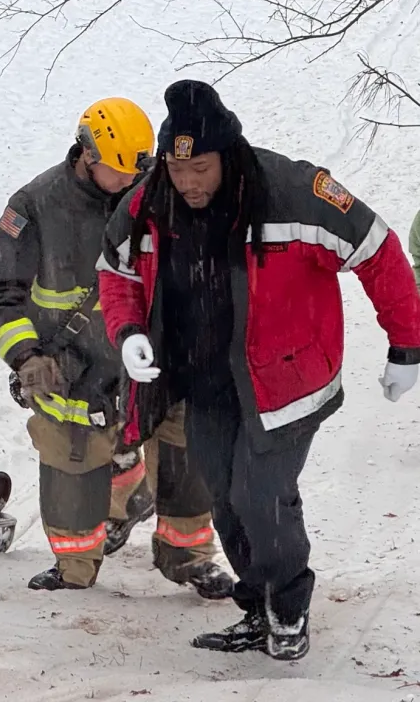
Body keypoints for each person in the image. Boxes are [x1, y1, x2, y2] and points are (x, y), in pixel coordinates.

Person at [97, 79, 420, 661]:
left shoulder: (295, 191)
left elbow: (378, 250)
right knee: (223, 496)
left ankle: (288, 607)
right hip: (205, 380)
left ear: (228, 153)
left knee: (261, 494)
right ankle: (258, 606)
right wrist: (129, 334)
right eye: (178, 166)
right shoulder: (150, 201)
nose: (189, 181)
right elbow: (115, 271)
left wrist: (407, 346)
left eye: (201, 167)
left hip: (287, 379)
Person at [0, 97, 233, 597]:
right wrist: (28, 356)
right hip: (75, 370)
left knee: (185, 456)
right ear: (87, 156)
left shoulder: (159, 190)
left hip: (161, 362)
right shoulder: (36, 205)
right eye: (119, 171)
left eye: (141, 169)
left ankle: (190, 559)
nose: (132, 181)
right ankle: (74, 568)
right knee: (72, 468)